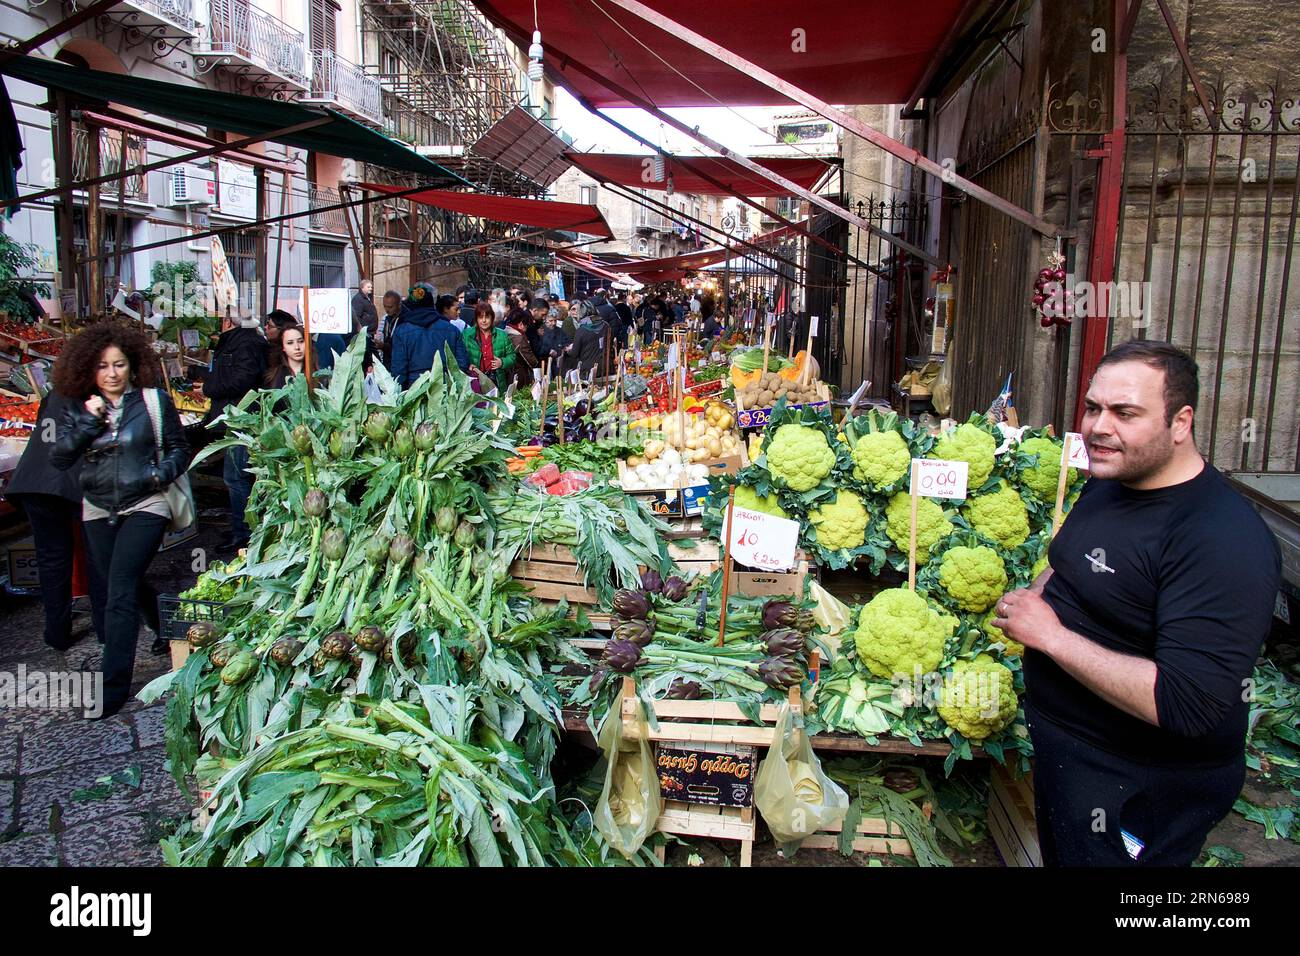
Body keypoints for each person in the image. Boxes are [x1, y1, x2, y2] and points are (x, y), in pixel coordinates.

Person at [995, 340, 1280, 867]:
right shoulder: (1116, 478)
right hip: (1076, 759)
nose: (1100, 427)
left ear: (1180, 421)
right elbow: (1078, 558)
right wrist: (1044, 586)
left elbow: (1186, 703)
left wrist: (1051, 636)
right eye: (1094, 407)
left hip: (1139, 785)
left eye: (1126, 412)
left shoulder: (1220, 540)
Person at [51, 322, 190, 719]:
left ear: (132, 365)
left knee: (118, 590)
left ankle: (112, 687)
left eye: (119, 364)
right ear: (88, 371)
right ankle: (163, 626)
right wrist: (88, 423)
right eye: (102, 366)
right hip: (98, 507)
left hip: (147, 502)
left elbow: (180, 450)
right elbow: (59, 458)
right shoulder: (79, 406)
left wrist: (158, 475)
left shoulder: (152, 402)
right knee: (124, 578)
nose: (112, 373)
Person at [4, 389, 106, 653]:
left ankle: (56, 632)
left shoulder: (56, 392)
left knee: (51, 560)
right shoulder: (101, 393)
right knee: (96, 556)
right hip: (74, 482)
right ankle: (105, 628)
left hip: (35, 482)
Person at [201, 312, 265, 553]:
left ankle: (244, 533)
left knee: (236, 478)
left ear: (228, 322)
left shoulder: (245, 343)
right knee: (236, 477)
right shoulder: (243, 341)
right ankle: (241, 527)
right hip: (236, 418)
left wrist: (208, 387)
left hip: (241, 419)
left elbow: (241, 380)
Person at [389, 283, 469, 388]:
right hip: (444, 389)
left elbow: (398, 371)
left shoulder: (401, 331)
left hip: (414, 391)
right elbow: (462, 364)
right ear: (432, 304)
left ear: (410, 306)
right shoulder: (452, 330)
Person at [463, 301, 515, 394]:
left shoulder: (502, 335)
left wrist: (502, 362)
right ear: (476, 319)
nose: (483, 321)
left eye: (487, 317)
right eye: (480, 317)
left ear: (492, 318)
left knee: (495, 407)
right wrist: (467, 365)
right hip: (475, 380)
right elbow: (460, 355)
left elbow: (512, 356)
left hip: (496, 380)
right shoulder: (467, 335)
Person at [504, 308, 539, 389]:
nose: (526, 329)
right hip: (518, 374)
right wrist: (537, 364)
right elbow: (530, 358)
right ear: (521, 324)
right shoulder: (519, 338)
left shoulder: (504, 333)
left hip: (506, 372)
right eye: (526, 326)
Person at [264, 323, 306, 389]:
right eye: (290, 343)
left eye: (301, 341)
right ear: (283, 347)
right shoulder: (274, 376)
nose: (297, 347)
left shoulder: (317, 376)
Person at [377, 290, 404, 368]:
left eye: (390, 307)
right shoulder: (387, 318)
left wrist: (383, 346)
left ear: (399, 305)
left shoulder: (404, 320)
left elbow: (400, 347)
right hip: (388, 362)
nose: (387, 309)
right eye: (385, 306)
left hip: (398, 363)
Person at [351, 279, 378, 347]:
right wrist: (362, 330)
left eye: (371, 287)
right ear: (362, 287)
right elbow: (356, 317)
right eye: (368, 287)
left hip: (368, 331)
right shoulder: (358, 299)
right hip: (364, 333)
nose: (371, 289)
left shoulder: (367, 298)